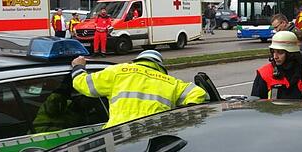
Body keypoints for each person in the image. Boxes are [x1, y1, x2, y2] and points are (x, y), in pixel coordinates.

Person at [71, 49, 208, 129]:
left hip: (118, 134)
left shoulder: (119, 71)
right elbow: (199, 93)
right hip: (153, 137)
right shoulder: (171, 82)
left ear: (138, 60)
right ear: (159, 66)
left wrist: (78, 67)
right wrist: (184, 114)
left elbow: (84, 85)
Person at [251, 31, 302, 100]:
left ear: (291, 54)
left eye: (280, 52)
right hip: (274, 111)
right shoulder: (264, 73)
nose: (275, 57)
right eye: (273, 52)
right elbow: (257, 104)